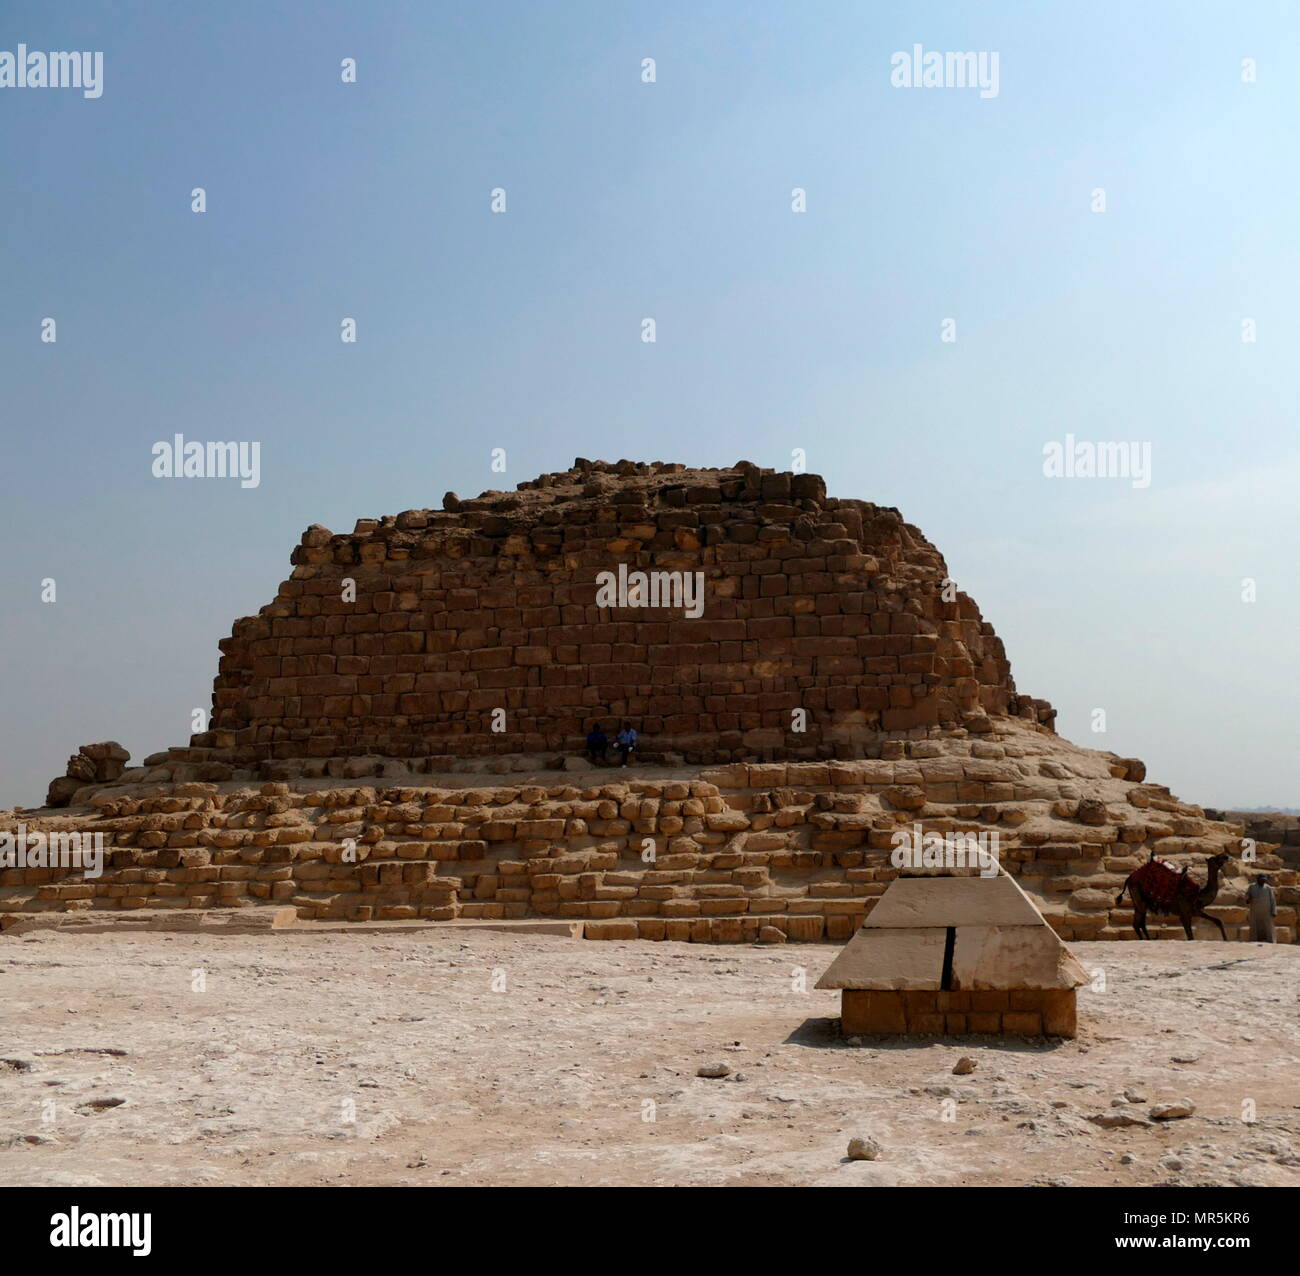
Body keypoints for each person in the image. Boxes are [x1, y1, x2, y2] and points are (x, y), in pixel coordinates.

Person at [1245, 874, 1277, 943]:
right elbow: (1247, 895)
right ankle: (1254, 940)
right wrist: (1248, 899)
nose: (1263, 881)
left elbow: (1273, 900)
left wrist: (1274, 911)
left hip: (1266, 911)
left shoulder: (1268, 888)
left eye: (1264, 880)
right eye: (1262, 879)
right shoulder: (1252, 887)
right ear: (1257, 879)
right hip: (1255, 911)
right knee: (1255, 926)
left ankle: (1270, 941)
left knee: (1268, 927)